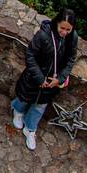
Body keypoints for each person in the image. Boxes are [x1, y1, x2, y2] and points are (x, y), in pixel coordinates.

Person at [10, 8, 78, 151]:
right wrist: (40, 78)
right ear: (57, 23)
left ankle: (30, 128)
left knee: (40, 106)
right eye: (62, 28)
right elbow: (30, 55)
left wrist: (59, 79)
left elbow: (71, 59)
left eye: (68, 29)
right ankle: (18, 111)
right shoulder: (43, 35)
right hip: (35, 77)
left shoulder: (73, 38)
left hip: (53, 82)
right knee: (24, 96)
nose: (65, 32)